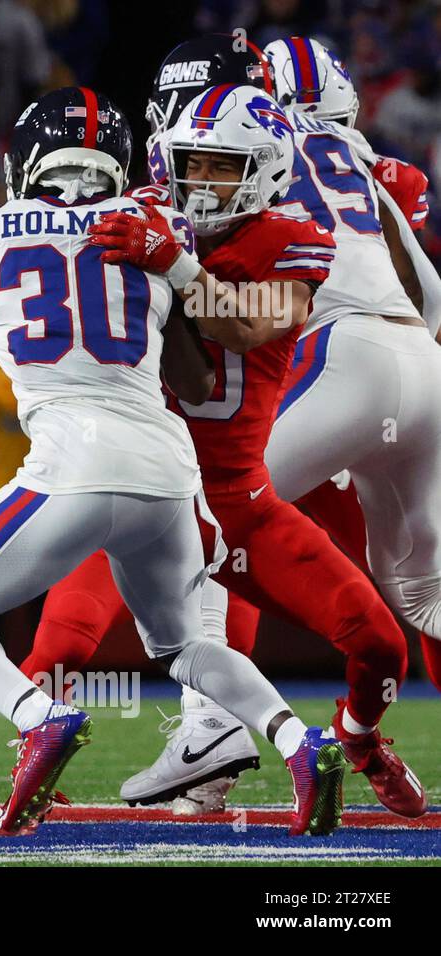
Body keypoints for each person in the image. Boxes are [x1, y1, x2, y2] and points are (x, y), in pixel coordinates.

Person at [0, 86, 347, 839]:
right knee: (183, 646)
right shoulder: (161, 228)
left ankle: (38, 717)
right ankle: (302, 741)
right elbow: (198, 382)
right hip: (171, 472)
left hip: (71, 465)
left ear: (27, 162)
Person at [263, 37, 441, 698]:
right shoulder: (365, 160)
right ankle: (361, 730)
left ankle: (211, 730)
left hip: (335, 361)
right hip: (419, 362)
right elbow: (429, 291)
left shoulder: (248, 143)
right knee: (426, 593)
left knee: (209, 513)